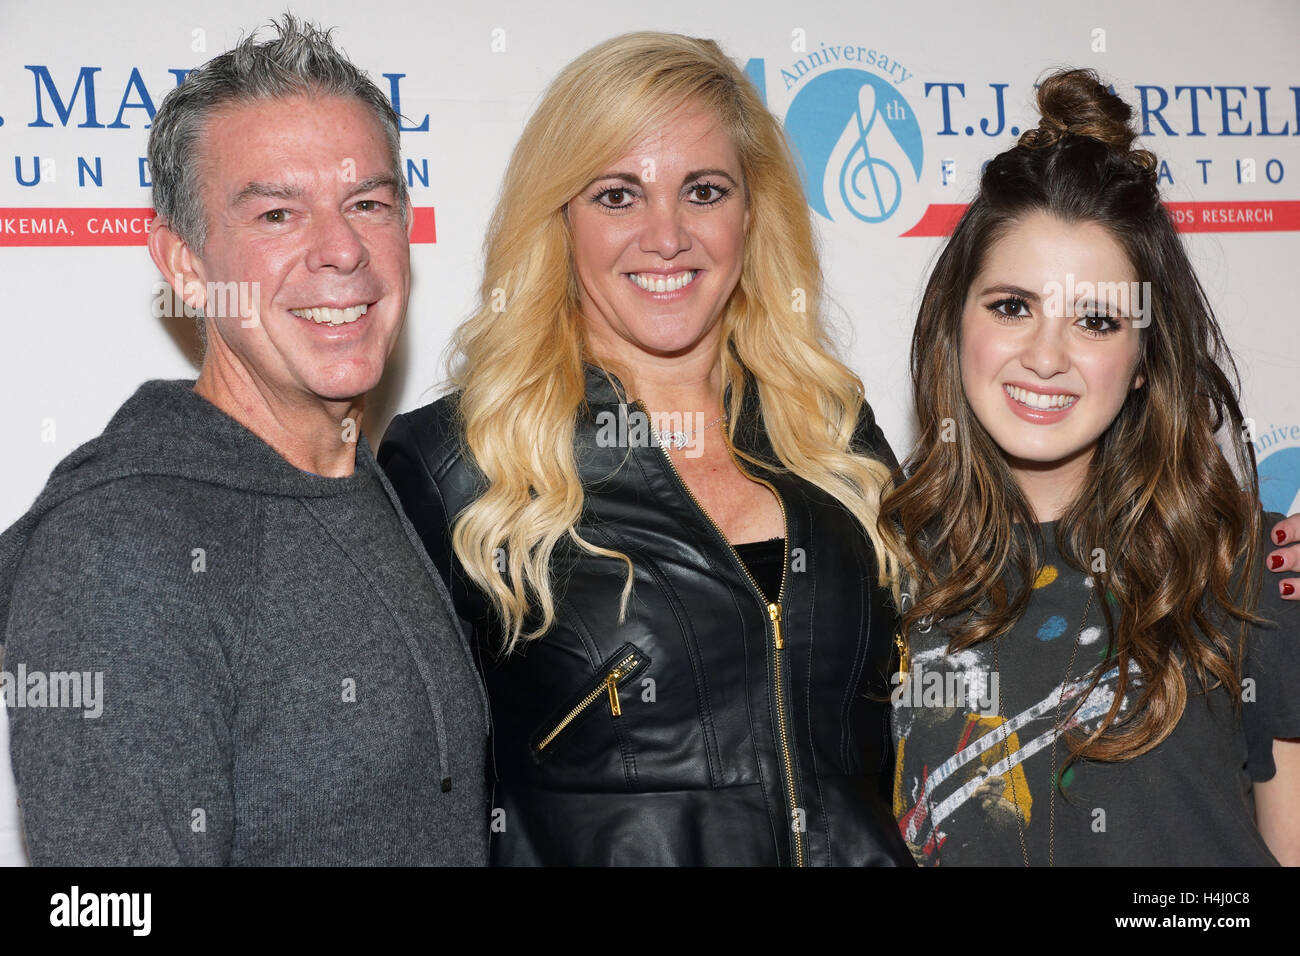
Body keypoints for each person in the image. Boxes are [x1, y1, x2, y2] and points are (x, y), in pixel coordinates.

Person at [379, 32, 913, 865]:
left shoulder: (834, 435)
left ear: (751, 212)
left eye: (704, 190)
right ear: (559, 218)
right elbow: (401, 801)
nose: (667, 237)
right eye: (618, 196)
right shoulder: (454, 466)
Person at [0, 15, 489, 865]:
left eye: (368, 203)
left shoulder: (370, 482)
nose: (342, 252)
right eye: (276, 215)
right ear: (185, 263)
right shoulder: (122, 547)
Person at [886, 69, 1300, 866]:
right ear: (953, 320)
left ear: (1145, 357)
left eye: (1097, 320)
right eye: (1012, 306)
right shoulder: (877, 572)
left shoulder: (1250, 569)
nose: (1045, 358)